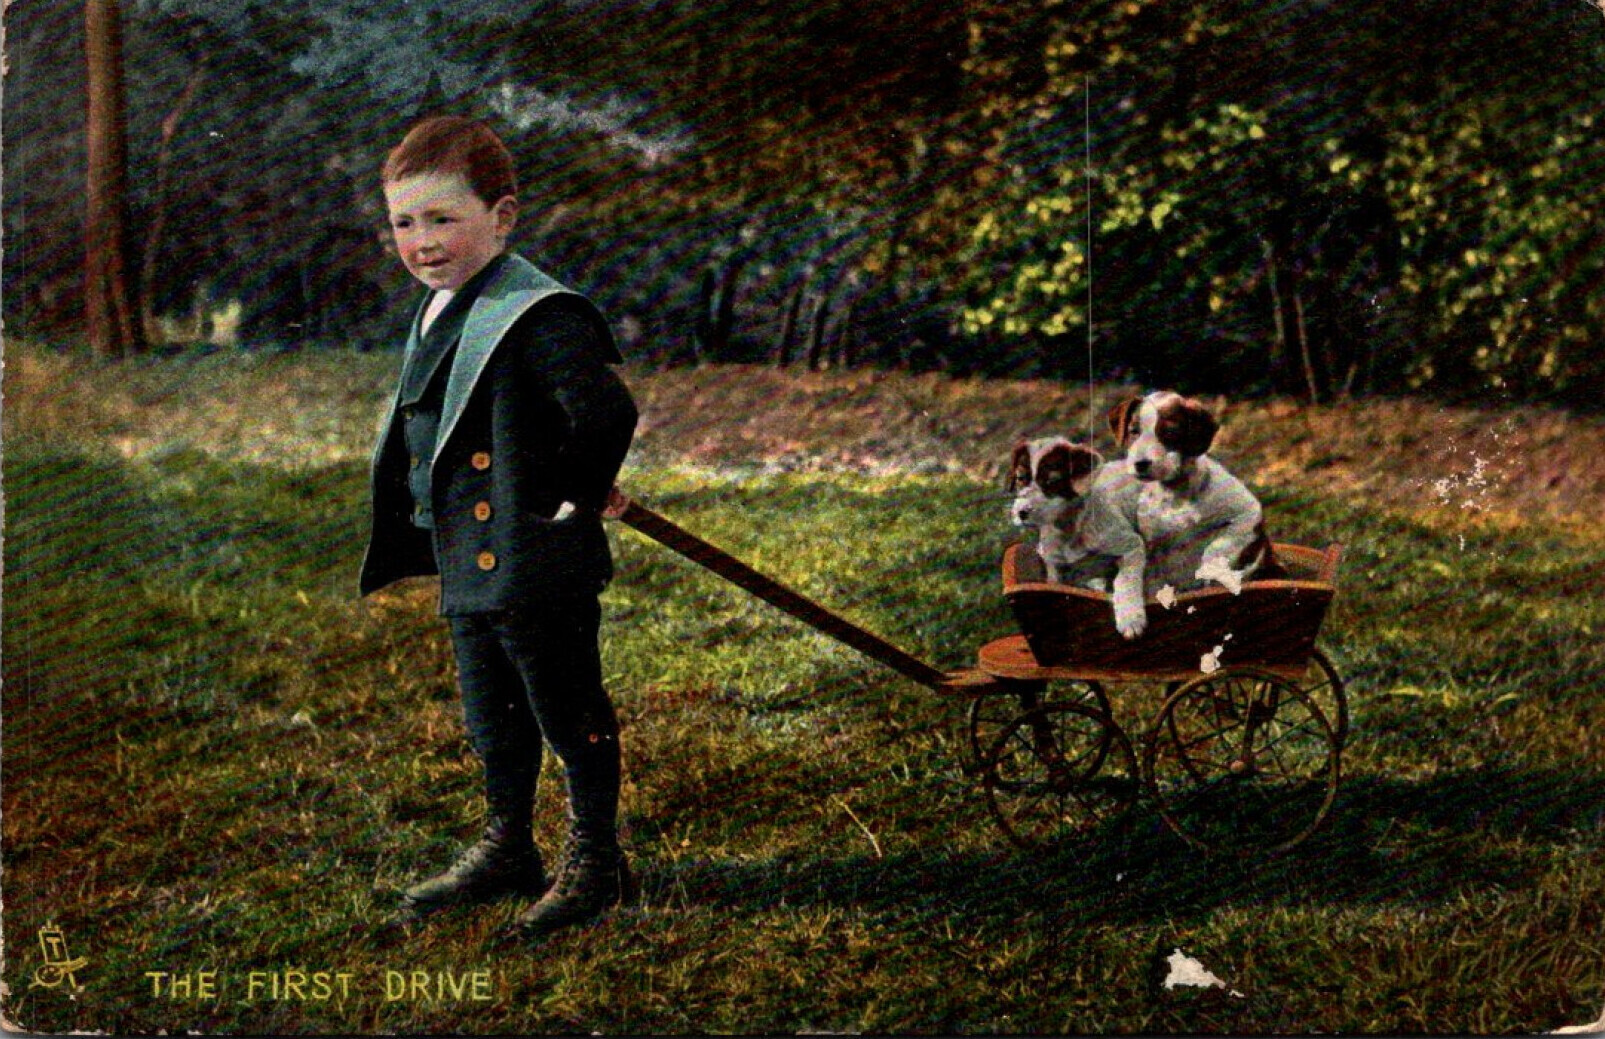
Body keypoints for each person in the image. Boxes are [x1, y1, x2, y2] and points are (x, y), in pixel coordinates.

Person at [359, 115, 639, 938]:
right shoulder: (442, 307)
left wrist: (567, 495)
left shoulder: (537, 310)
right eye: (405, 222)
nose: (422, 240)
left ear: (502, 217)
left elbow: (605, 411)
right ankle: (509, 844)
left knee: (563, 704)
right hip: (470, 559)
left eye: (443, 218)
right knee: (492, 716)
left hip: (532, 555)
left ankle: (595, 859)